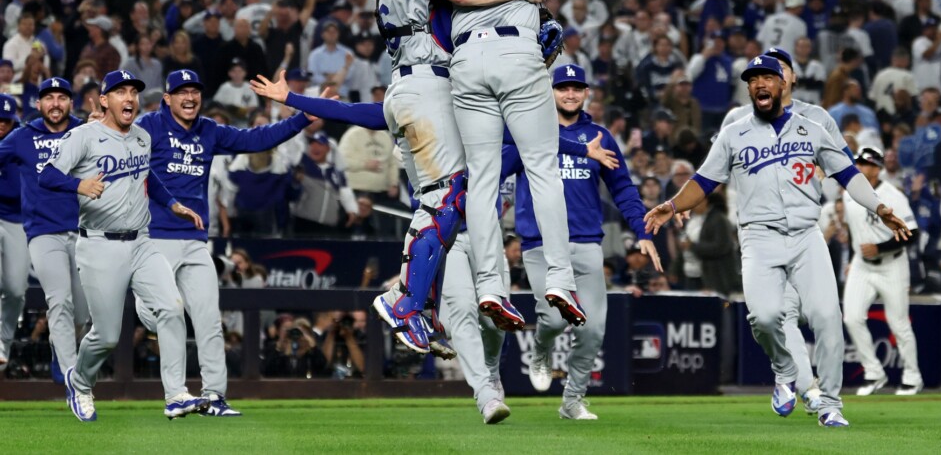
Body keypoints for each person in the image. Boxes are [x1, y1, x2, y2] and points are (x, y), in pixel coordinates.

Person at [247, 79, 618, 424]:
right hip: (445, 234)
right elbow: (353, 112)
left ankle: (489, 372)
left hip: (486, 233)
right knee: (460, 314)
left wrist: (581, 147)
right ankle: (486, 395)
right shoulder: (411, 112)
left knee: (494, 321)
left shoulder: (474, 120)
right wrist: (292, 99)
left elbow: (529, 138)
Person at [442, 0, 692, 328]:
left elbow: (442, 12)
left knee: (481, 179)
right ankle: (558, 278)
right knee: (541, 166)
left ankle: (491, 287)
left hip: (465, 57)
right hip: (516, 51)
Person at [644, 55, 911, 429]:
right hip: (758, 236)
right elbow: (705, 182)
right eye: (753, 79)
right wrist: (672, 206)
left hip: (806, 235)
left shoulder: (812, 127)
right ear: (749, 89)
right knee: (765, 317)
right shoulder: (734, 132)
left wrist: (880, 206)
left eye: (767, 77)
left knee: (828, 319)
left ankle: (830, 405)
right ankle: (785, 369)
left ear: (782, 84)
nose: (760, 84)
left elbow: (848, 173)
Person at [348, 0, 554, 350]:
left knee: (444, 202)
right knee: (447, 200)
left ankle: (419, 305)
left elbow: (447, 24)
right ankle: (404, 300)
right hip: (427, 87)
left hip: (408, 86)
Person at [134, 69, 313, 416]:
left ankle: (214, 396)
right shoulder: (149, 126)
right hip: (156, 236)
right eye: (181, 92)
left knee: (208, 319)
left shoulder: (209, 130)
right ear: (166, 99)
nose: (189, 97)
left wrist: (301, 118)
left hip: (198, 239)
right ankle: (169, 373)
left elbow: (257, 139)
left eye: (195, 91)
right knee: (162, 314)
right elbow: (117, 143)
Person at [38, 70, 208, 421]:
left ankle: (175, 394)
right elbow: (47, 175)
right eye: (119, 92)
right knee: (106, 336)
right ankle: (81, 384)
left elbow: (148, 175)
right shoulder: (84, 136)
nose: (128, 97)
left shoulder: (142, 137)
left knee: (173, 308)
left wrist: (173, 203)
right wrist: (78, 185)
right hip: (100, 245)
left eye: (133, 91)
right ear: (104, 100)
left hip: (141, 242)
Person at [503, 64, 662, 420]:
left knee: (592, 330)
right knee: (556, 320)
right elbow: (496, 169)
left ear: (587, 93)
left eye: (577, 88)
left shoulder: (600, 136)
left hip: (586, 242)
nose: (570, 94)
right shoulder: (530, 133)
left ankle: (572, 400)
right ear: (551, 92)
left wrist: (642, 231)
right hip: (540, 243)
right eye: (563, 88)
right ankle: (541, 349)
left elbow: (622, 187)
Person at [720, 46, 852, 412]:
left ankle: (817, 394)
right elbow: (723, 168)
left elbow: (843, 164)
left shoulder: (817, 118)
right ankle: (802, 385)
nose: (768, 77)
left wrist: (819, 178)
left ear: (790, 77)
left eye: (778, 69)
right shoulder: (737, 119)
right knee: (778, 316)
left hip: (807, 227)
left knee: (822, 315)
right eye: (760, 73)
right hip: (760, 228)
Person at [0, 79, 86, 384]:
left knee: (84, 314)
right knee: (59, 301)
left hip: (84, 231)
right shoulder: (22, 136)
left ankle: (58, 349)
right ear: (39, 105)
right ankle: (70, 374)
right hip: (42, 230)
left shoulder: (85, 131)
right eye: (49, 98)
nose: (55, 104)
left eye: (61, 98)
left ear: (70, 103)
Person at [841, 148, 923, 396]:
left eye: (866, 164)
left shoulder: (892, 196)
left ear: (877, 169)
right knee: (851, 318)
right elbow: (855, 227)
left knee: (899, 323)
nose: (861, 167)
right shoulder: (849, 193)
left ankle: (912, 377)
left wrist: (880, 247)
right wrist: (854, 255)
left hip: (892, 264)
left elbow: (913, 234)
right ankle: (874, 373)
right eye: (859, 163)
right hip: (862, 265)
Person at [0, 93, 26, 368]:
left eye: (5, 121)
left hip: (18, 221)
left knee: (17, 289)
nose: (1, 125)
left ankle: (4, 342)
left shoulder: (21, 143)